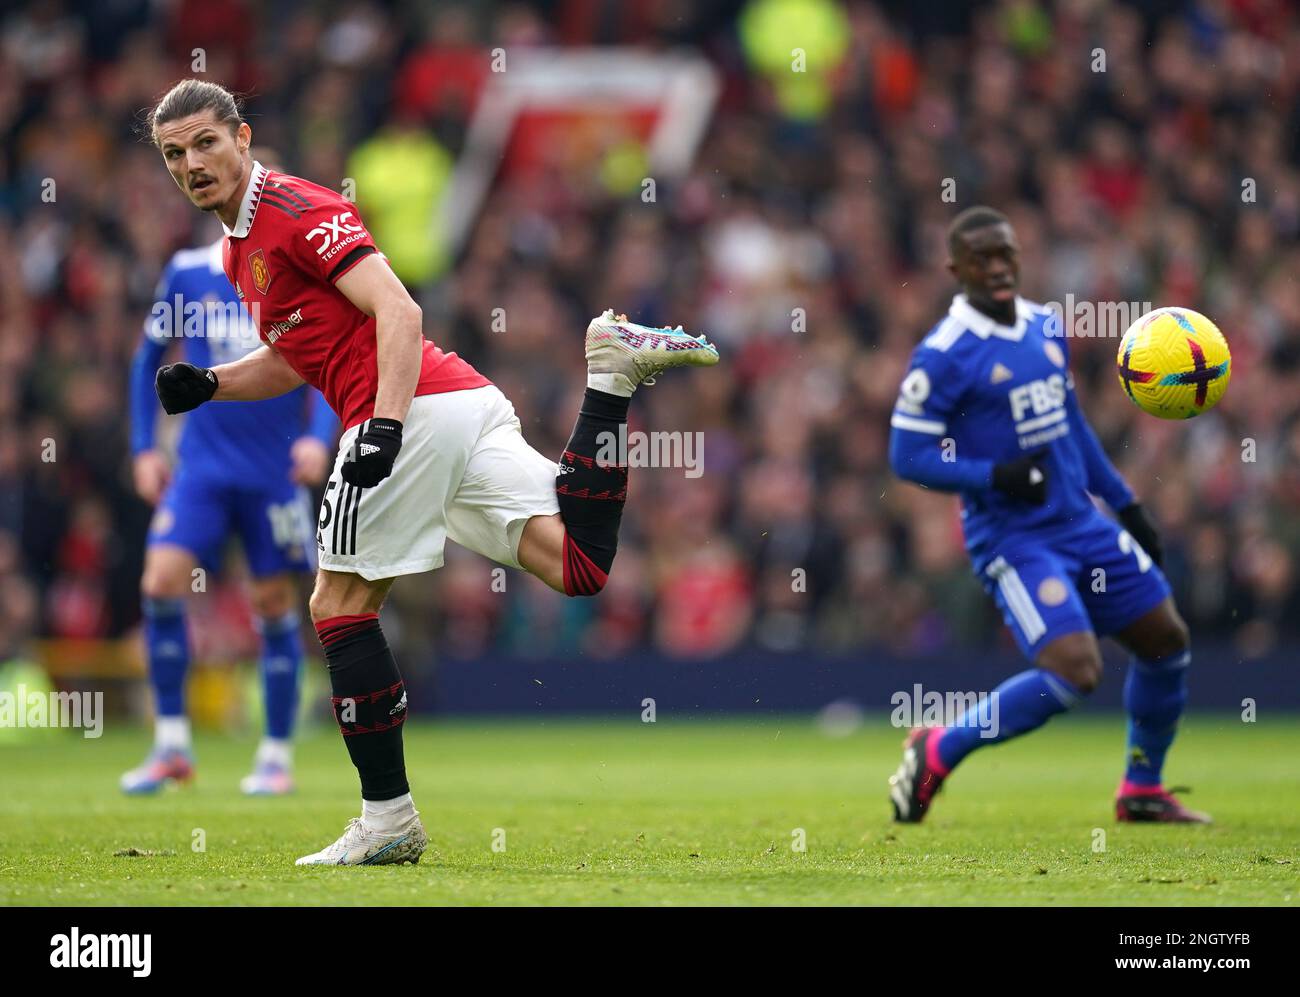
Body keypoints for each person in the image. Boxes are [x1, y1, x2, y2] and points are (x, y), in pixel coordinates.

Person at [147, 79, 719, 865]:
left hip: (409, 410)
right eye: (175, 154)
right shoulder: (240, 246)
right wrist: (214, 383)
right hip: (456, 403)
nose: (192, 163)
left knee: (339, 605)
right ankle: (611, 380)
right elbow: (296, 355)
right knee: (579, 563)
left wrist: (382, 424)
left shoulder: (293, 210)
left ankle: (387, 818)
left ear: (243, 137)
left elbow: (399, 312)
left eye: (206, 142)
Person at [886, 205, 1207, 825]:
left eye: (1007, 253)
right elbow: (907, 455)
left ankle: (1142, 789)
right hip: (1012, 538)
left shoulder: (1043, 325)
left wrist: (1125, 502)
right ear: (957, 269)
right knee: (1074, 669)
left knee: (1166, 640)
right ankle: (938, 749)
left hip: (1080, 523)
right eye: (983, 258)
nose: (1000, 267)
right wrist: (993, 476)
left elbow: (1072, 428)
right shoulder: (944, 355)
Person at [124, 150, 336, 796]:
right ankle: (172, 747)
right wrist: (143, 447)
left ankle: (275, 754)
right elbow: (147, 360)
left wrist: (319, 438)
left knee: (275, 604)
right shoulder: (189, 273)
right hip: (203, 465)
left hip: (273, 469)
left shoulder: (288, 263)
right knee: (160, 580)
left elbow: (324, 356)